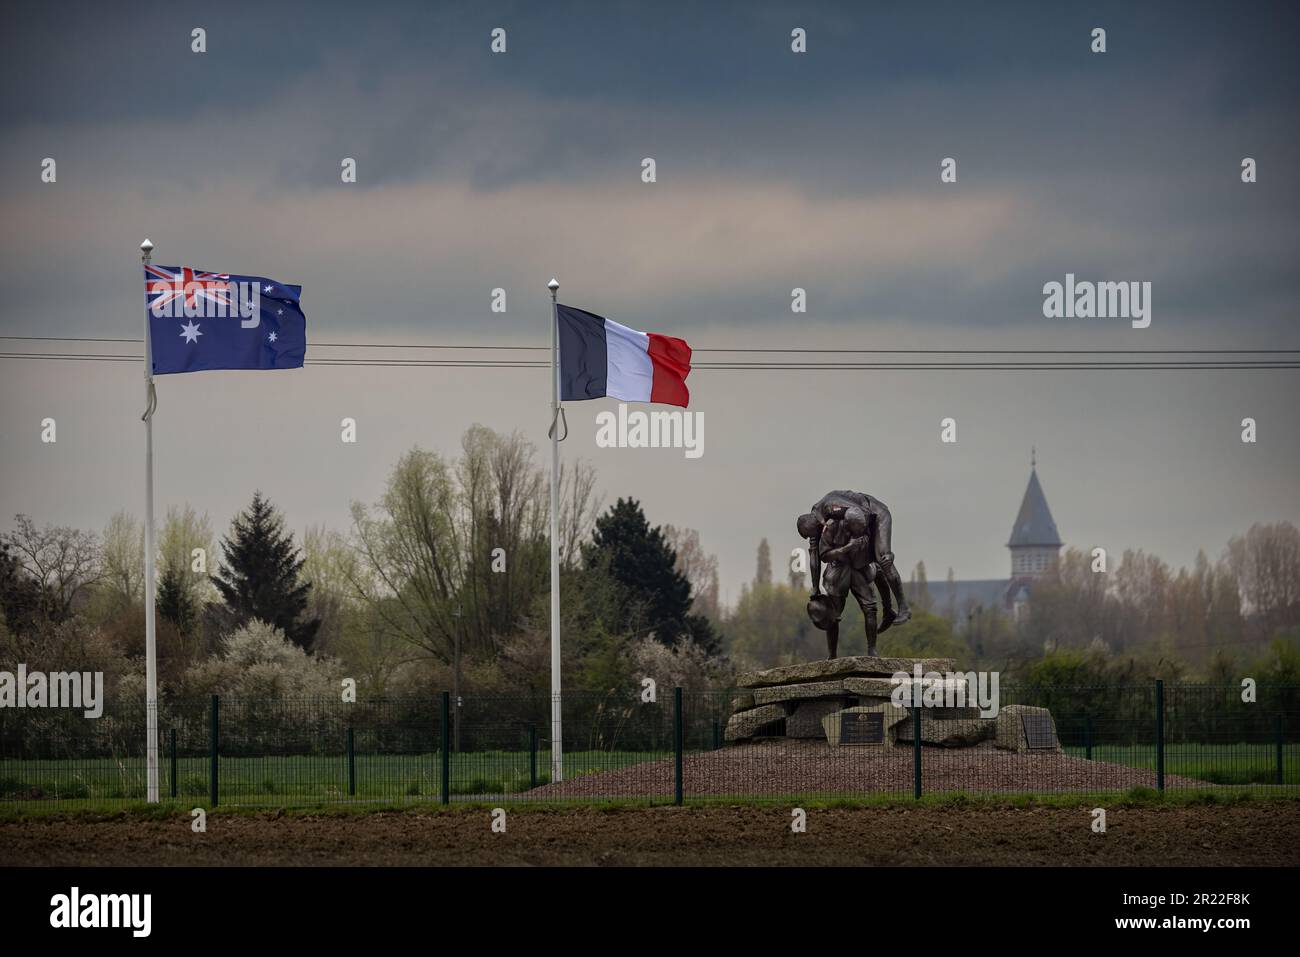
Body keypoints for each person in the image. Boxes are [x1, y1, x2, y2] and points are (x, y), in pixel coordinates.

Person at [801, 504, 881, 658]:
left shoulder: (863, 524)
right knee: (832, 613)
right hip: (837, 572)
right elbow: (824, 555)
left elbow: (874, 545)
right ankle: (832, 654)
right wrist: (846, 548)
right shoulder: (830, 526)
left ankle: (872, 649)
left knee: (870, 608)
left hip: (860, 569)